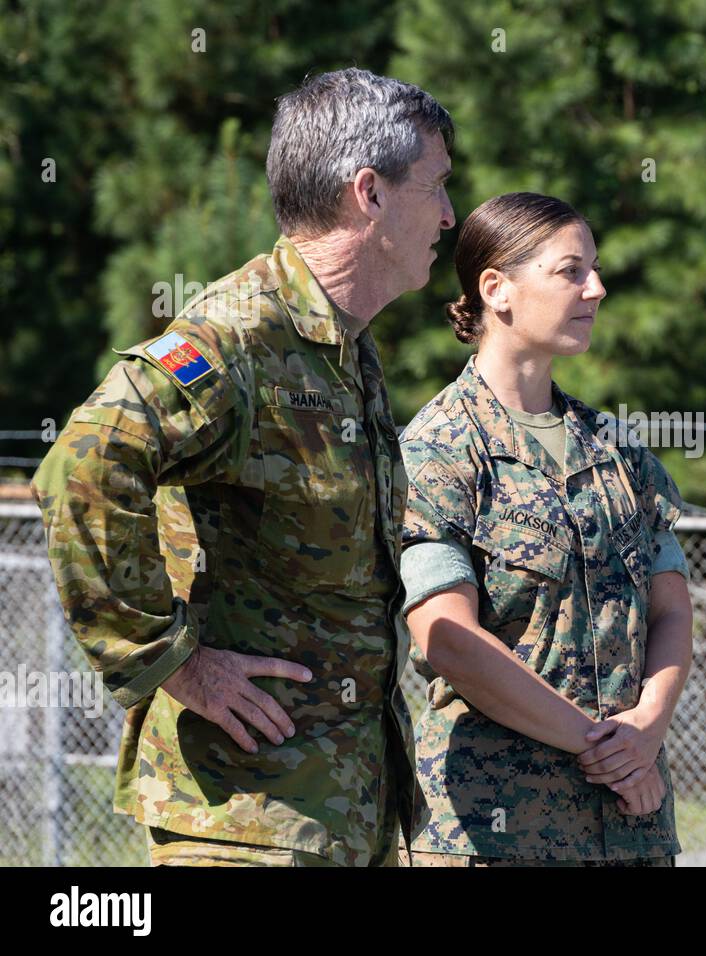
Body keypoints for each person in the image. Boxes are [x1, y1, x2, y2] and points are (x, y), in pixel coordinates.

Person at [31, 67, 457, 866]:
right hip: (243, 825)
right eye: (435, 187)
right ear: (369, 193)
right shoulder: (240, 337)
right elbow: (81, 465)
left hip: (335, 815)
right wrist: (172, 662)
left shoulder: (342, 348)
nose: (449, 215)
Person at [399, 192, 693, 866]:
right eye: (571, 271)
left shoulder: (619, 450)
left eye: (594, 268)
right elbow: (449, 641)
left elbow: (672, 612)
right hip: (496, 830)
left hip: (631, 825)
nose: (598, 287)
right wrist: (606, 748)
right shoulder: (440, 448)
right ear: (496, 289)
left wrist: (647, 727)